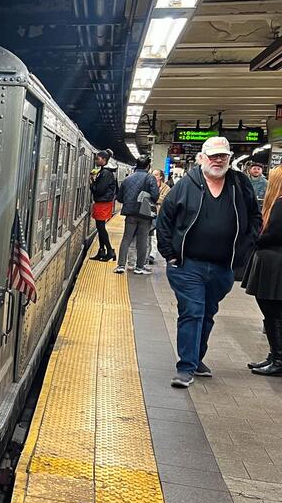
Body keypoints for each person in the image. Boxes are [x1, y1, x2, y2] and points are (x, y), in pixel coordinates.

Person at [156, 136, 261, 388]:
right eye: (213, 156)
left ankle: (196, 357)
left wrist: (246, 249)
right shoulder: (186, 185)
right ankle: (186, 367)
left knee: (207, 313)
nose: (218, 160)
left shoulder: (240, 184)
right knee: (192, 311)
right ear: (202, 158)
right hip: (187, 265)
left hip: (223, 267)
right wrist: (170, 254)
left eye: (223, 156)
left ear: (229, 159)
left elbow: (254, 217)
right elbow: (165, 220)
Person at [242, 165, 282, 374]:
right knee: (274, 313)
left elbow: (275, 234)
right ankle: (274, 355)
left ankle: (278, 360)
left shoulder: (280, 204)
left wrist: (254, 239)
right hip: (273, 264)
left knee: (274, 313)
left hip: (274, 266)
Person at [114, 155, 158, 274]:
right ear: (148, 166)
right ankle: (139, 268)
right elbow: (155, 196)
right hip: (145, 214)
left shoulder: (127, 179)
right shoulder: (150, 178)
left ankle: (121, 265)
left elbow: (119, 198)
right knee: (142, 241)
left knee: (126, 239)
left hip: (130, 214)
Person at [88, 149, 118, 262]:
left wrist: (92, 182)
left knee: (101, 228)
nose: (96, 160)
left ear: (104, 160)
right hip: (102, 203)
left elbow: (99, 190)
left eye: (98, 158)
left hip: (103, 203)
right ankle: (102, 251)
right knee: (100, 228)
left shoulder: (105, 173)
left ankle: (110, 251)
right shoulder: (104, 172)